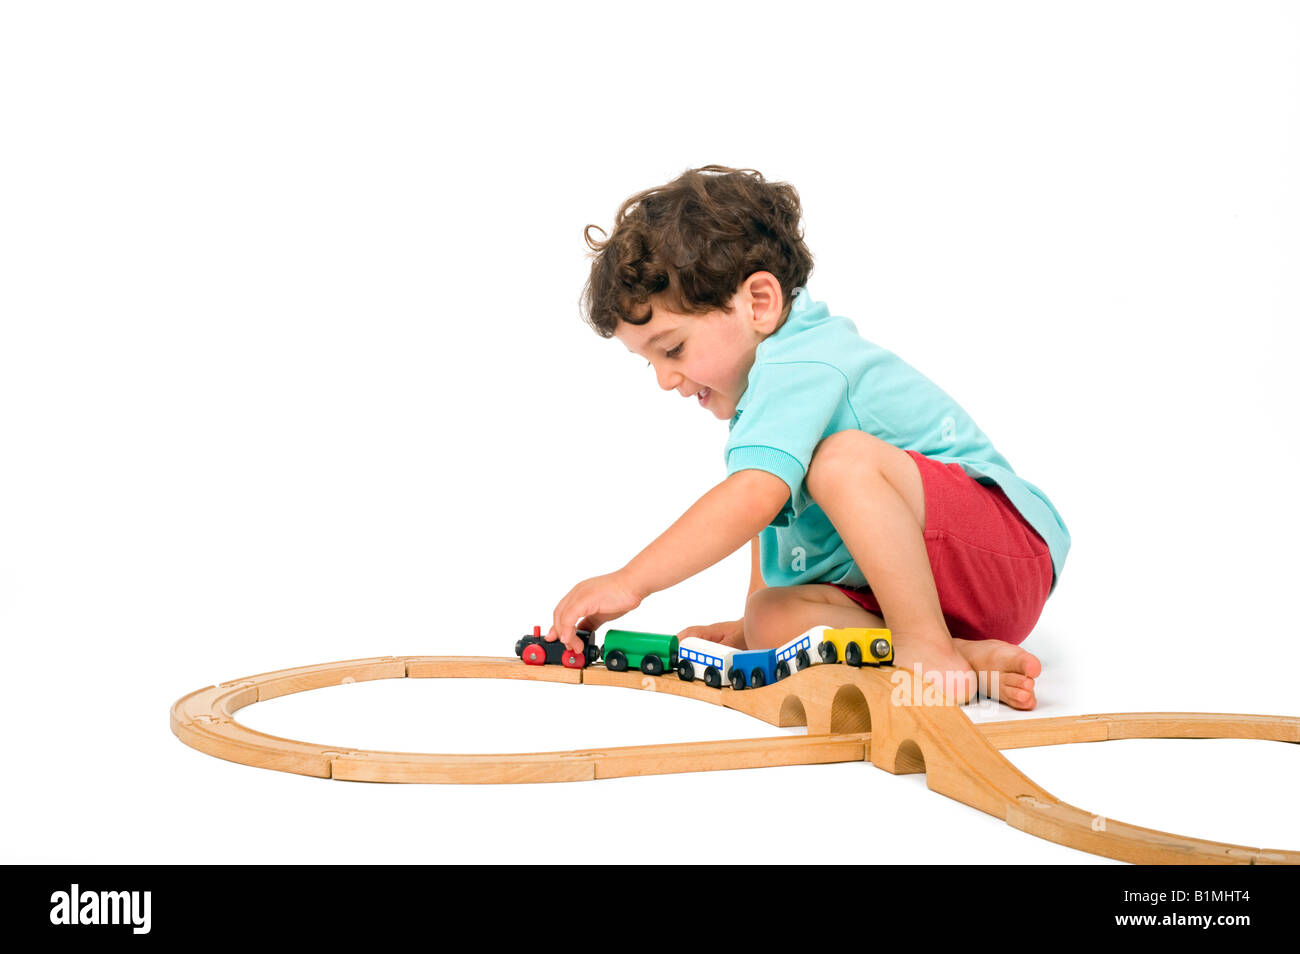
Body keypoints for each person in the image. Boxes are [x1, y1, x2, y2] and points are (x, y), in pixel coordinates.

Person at [545, 166, 1069, 709]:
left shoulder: (803, 361)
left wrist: (633, 580)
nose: (664, 378)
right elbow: (765, 515)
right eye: (648, 360)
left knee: (839, 463)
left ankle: (926, 647)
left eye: (672, 348)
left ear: (760, 302)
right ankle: (961, 652)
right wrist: (751, 627)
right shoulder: (769, 402)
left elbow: (752, 497)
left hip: (1001, 553)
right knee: (772, 617)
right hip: (930, 595)